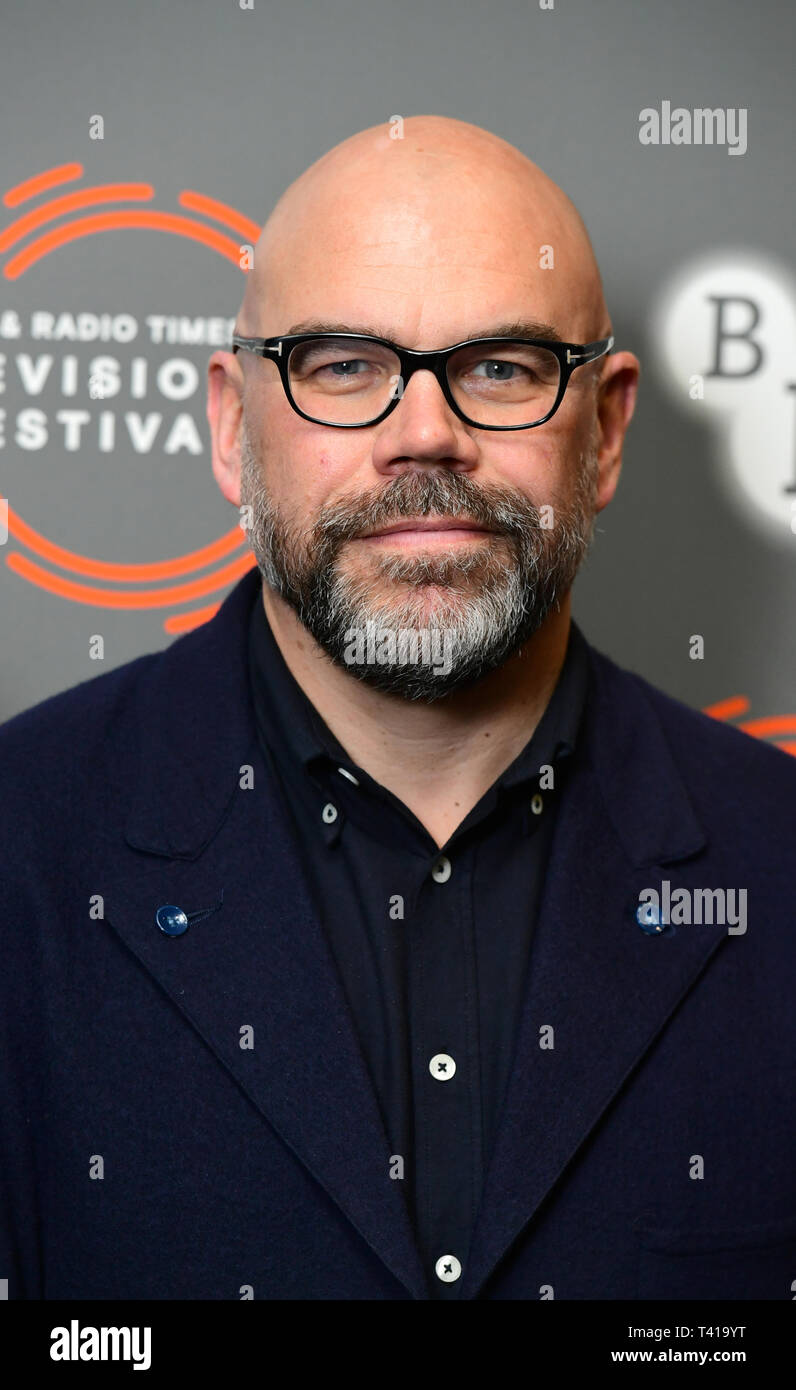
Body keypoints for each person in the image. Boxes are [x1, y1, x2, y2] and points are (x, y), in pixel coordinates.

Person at [1, 115, 794, 1302]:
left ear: (606, 429)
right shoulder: (21, 844)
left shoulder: (777, 856)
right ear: (232, 426)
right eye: (342, 366)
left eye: (501, 367)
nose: (425, 435)